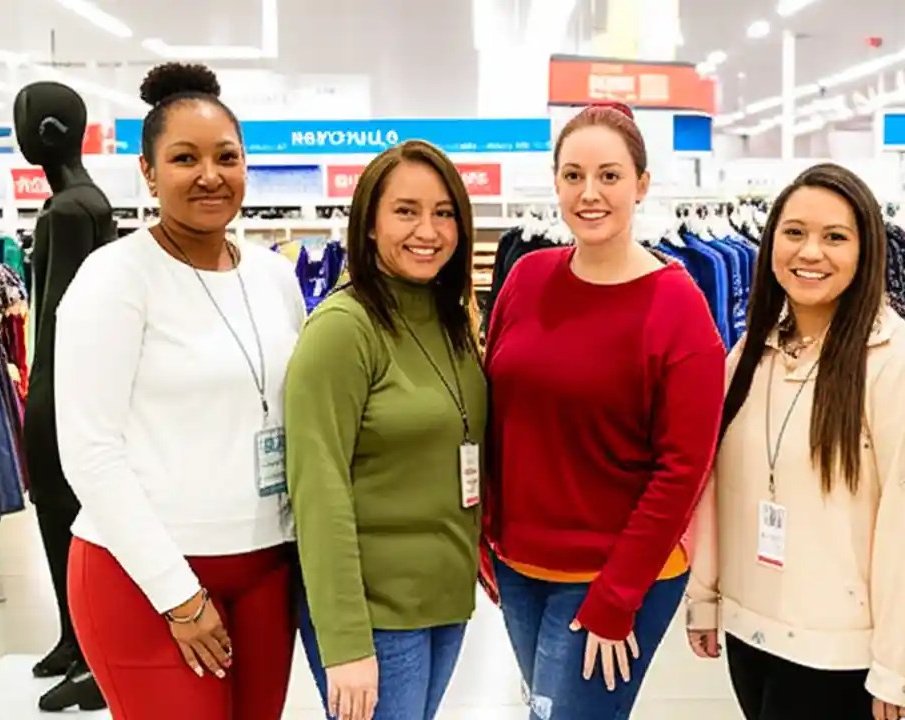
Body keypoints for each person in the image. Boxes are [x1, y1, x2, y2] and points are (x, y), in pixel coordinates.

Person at [53, 62, 306, 719]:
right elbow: (90, 453)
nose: (209, 175)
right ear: (148, 171)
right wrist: (179, 596)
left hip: (266, 569)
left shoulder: (275, 278)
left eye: (227, 156)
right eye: (184, 158)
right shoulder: (114, 279)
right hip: (143, 577)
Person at [482, 102, 726, 719]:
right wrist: (484, 531)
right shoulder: (527, 277)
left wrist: (619, 595)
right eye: (573, 175)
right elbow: (496, 417)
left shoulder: (678, 306)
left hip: (614, 575)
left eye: (610, 175)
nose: (589, 193)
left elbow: (684, 468)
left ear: (641, 185)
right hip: (519, 568)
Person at [684, 164, 905, 720]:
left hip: (838, 653)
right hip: (752, 631)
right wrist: (706, 597)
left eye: (835, 237)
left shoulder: (902, 367)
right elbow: (717, 489)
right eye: (794, 232)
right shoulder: (751, 353)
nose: (811, 252)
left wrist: (900, 668)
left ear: (866, 250)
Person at [285, 139, 485, 720]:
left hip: (443, 599)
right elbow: (318, 489)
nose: (428, 230)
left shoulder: (450, 318)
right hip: (374, 611)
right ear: (369, 223)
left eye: (444, 212)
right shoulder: (344, 329)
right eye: (406, 211)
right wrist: (345, 642)